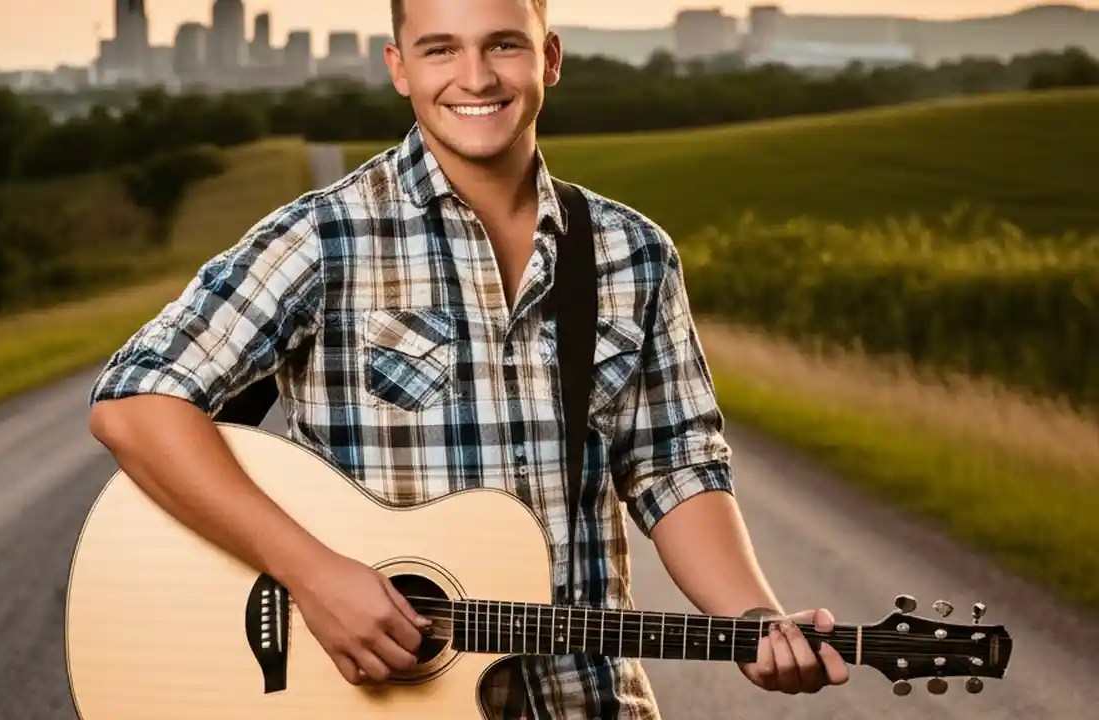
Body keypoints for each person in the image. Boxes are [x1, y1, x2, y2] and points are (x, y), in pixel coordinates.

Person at [86, 0, 850, 717]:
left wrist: (752, 619)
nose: (476, 77)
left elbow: (674, 465)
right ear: (399, 68)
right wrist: (313, 576)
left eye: (504, 45)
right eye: (440, 48)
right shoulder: (326, 237)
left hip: (589, 697)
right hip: (378, 704)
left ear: (549, 58)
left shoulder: (632, 252)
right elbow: (134, 402)